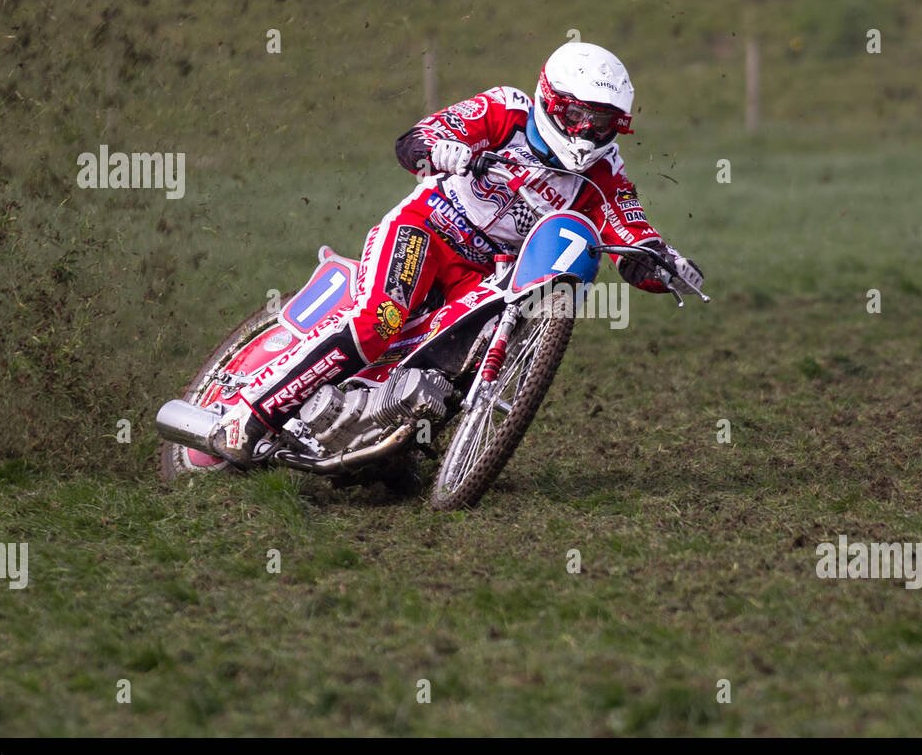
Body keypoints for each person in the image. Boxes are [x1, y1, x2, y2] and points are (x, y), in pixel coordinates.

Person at [210, 41, 704, 466]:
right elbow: (415, 141)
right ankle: (251, 413)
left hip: (487, 275)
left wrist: (663, 265)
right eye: (578, 117)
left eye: (602, 124)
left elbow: (632, 235)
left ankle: (387, 433)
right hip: (427, 230)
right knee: (379, 321)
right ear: (551, 101)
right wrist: (442, 150)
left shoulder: (606, 174)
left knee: (463, 359)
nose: (587, 133)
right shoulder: (506, 109)